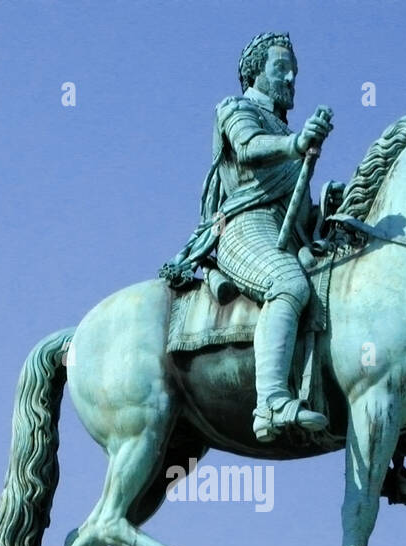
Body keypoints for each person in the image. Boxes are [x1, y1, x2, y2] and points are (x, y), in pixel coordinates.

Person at [162, 32, 334, 442]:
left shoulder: (287, 134)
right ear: (255, 72)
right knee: (287, 283)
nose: (291, 77)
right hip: (244, 226)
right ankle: (271, 403)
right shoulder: (235, 108)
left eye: (295, 70)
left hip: (288, 234)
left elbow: (302, 212)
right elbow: (248, 147)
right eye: (281, 68)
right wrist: (296, 143)